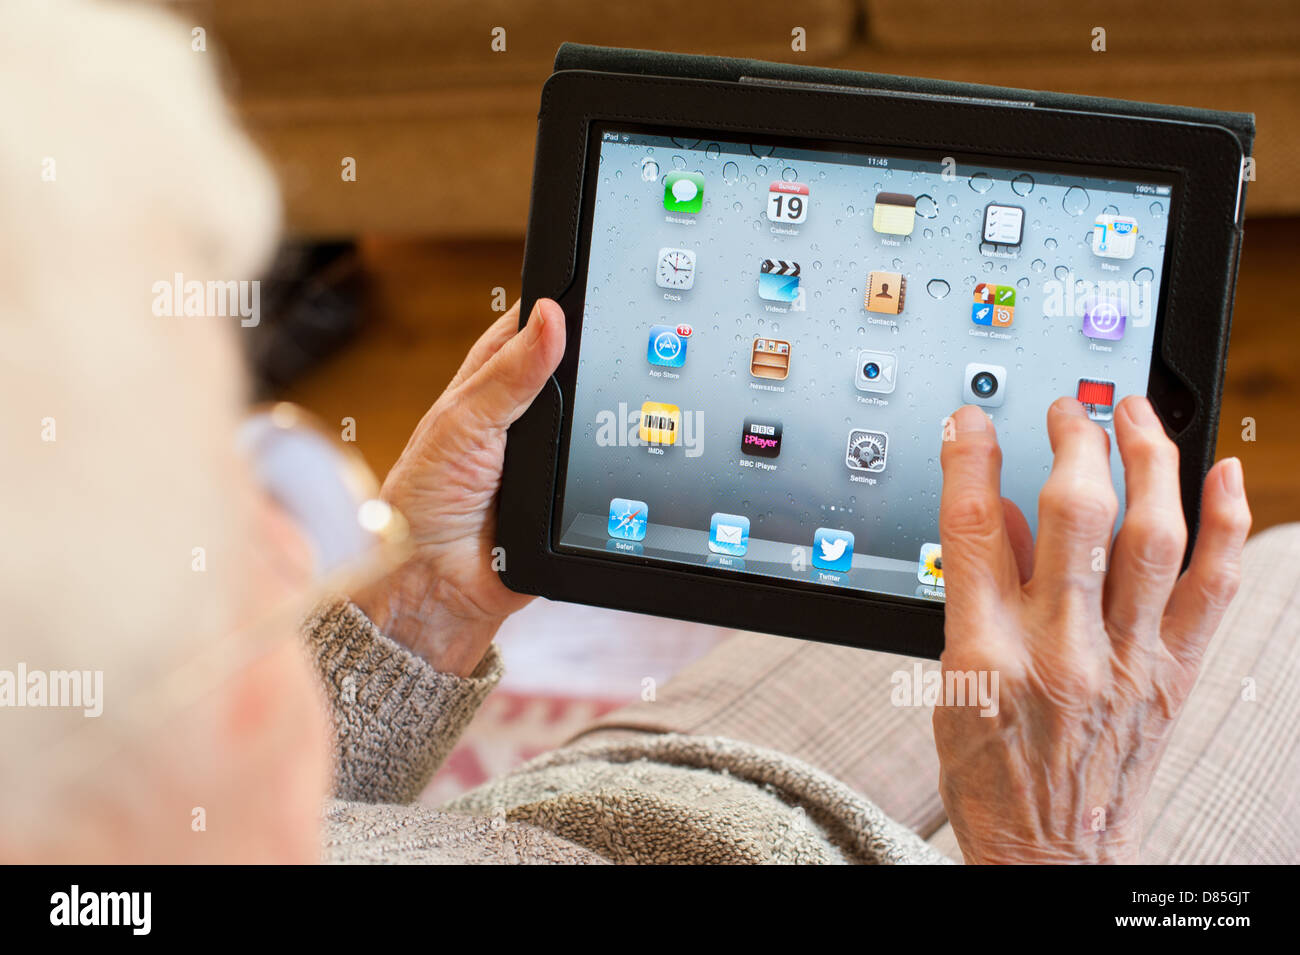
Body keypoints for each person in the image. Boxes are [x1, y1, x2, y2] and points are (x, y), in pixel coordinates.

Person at [4, 0, 1294, 865]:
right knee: (1266, 591)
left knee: (1042, 614)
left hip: (627, 811)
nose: (300, 554)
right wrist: (1056, 831)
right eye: (207, 554)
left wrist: (421, 612)